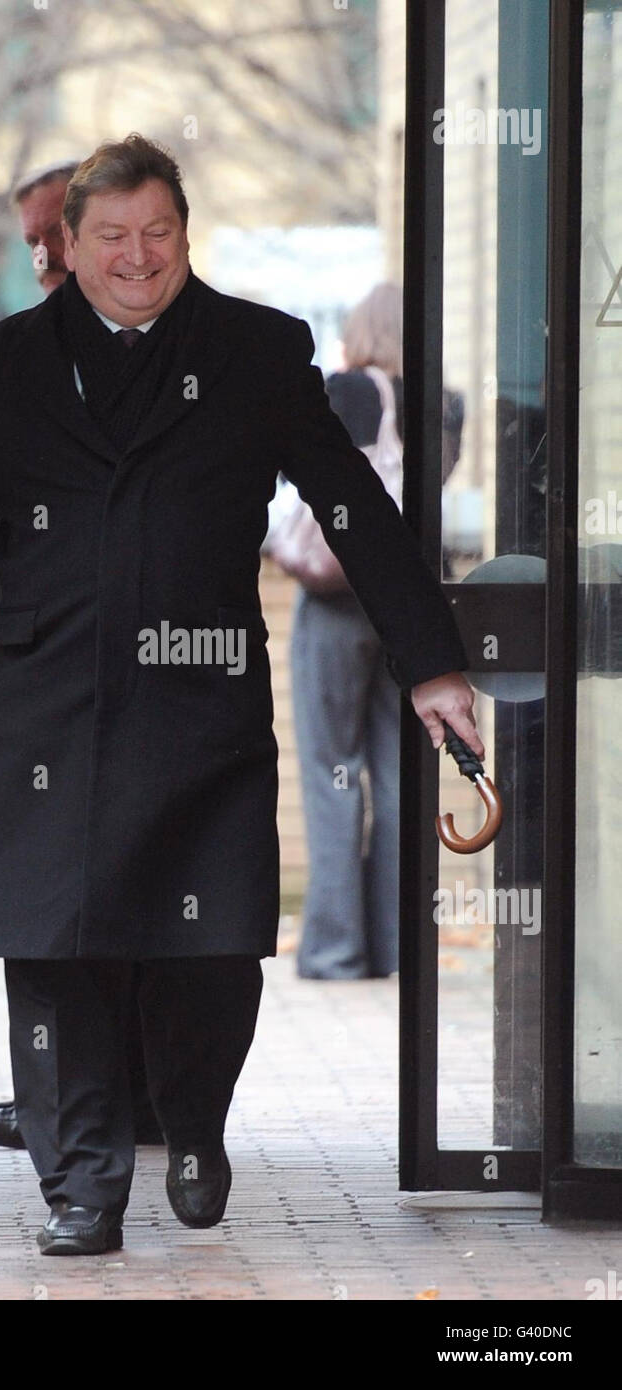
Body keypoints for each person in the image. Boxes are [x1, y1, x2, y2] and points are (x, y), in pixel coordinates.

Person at [0, 133, 482, 1256]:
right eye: (112, 237)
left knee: (212, 948)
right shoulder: (1, 364)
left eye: (159, 234)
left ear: (184, 234)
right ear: (71, 247)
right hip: (48, 705)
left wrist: (428, 661)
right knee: (50, 948)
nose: (137, 257)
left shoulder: (258, 350)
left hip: (201, 702)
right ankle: (82, 1187)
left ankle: (192, 1120)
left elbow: (350, 506)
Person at [0, 158, 163, 1151]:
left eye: (51, 237)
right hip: (51, 656)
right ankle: (61, 1101)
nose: (40, 255)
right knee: (51, 893)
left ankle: (120, 1098)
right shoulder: (30, 348)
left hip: (140, 659)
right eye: (30, 242)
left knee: (114, 890)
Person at [289, 283, 464, 979]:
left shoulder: (341, 391)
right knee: (398, 776)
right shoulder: (445, 402)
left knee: (331, 772)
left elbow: (301, 479)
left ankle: (335, 950)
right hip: (414, 605)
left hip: (337, 597)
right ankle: (397, 945)